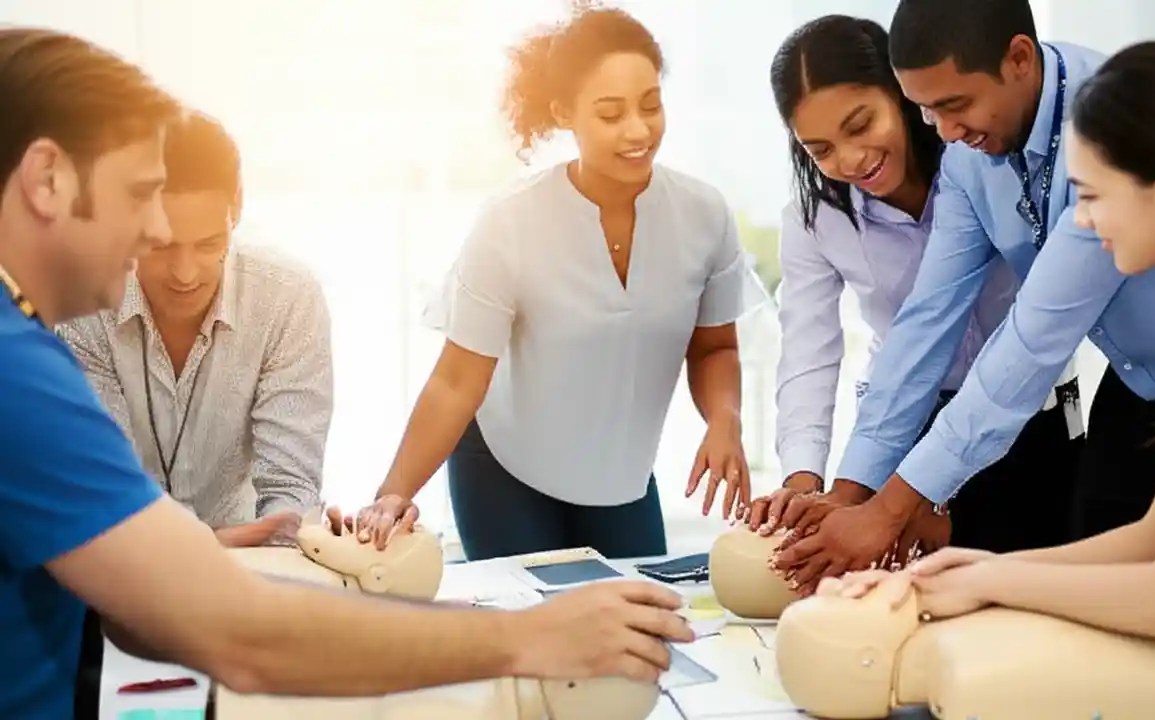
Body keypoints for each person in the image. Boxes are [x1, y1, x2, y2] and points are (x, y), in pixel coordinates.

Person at [0, 26, 692, 720]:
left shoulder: (22, 341)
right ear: (48, 179)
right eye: (140, 192)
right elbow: (229, 630)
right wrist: (526, 637)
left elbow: (139, 608)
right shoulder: (17, 376)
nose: (156, 232)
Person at [831, 39, 1155, 712]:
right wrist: (975, 569)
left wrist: (992, 587)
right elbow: (1152, 537)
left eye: (1093, 197)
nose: (1086, 222)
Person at [344, 7, 761, 561]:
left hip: (620, 480)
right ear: (565, 112)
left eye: (651, 105)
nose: (638, 130)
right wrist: (393, 493)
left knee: (644, 626)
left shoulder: (704, 215)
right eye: (611, 114)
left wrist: (725, 419)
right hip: (505, 469)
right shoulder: (511, 222)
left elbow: (714, 347)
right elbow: (456, 381)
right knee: (532, 631)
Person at [746, 15, 1084, 583]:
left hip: (1032, 419)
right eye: (821, 149)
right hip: (904, 428)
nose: (851, 160)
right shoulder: (814, 221)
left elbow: (1025, 333)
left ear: (903, 94)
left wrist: (898, 496)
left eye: (862, 124)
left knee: (1036, 609)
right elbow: (810, 350)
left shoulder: (984, 163)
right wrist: (807, 480)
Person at [59, 109, 332, 548]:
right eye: (162, 246)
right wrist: (215, 544)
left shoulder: (288, 299)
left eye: (209, 245)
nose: (185, 274)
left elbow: (290, 493)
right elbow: (108, 502)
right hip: (121, 571)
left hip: (251, 562)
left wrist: (279, 544)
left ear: (237, 206)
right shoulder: (83, 306)